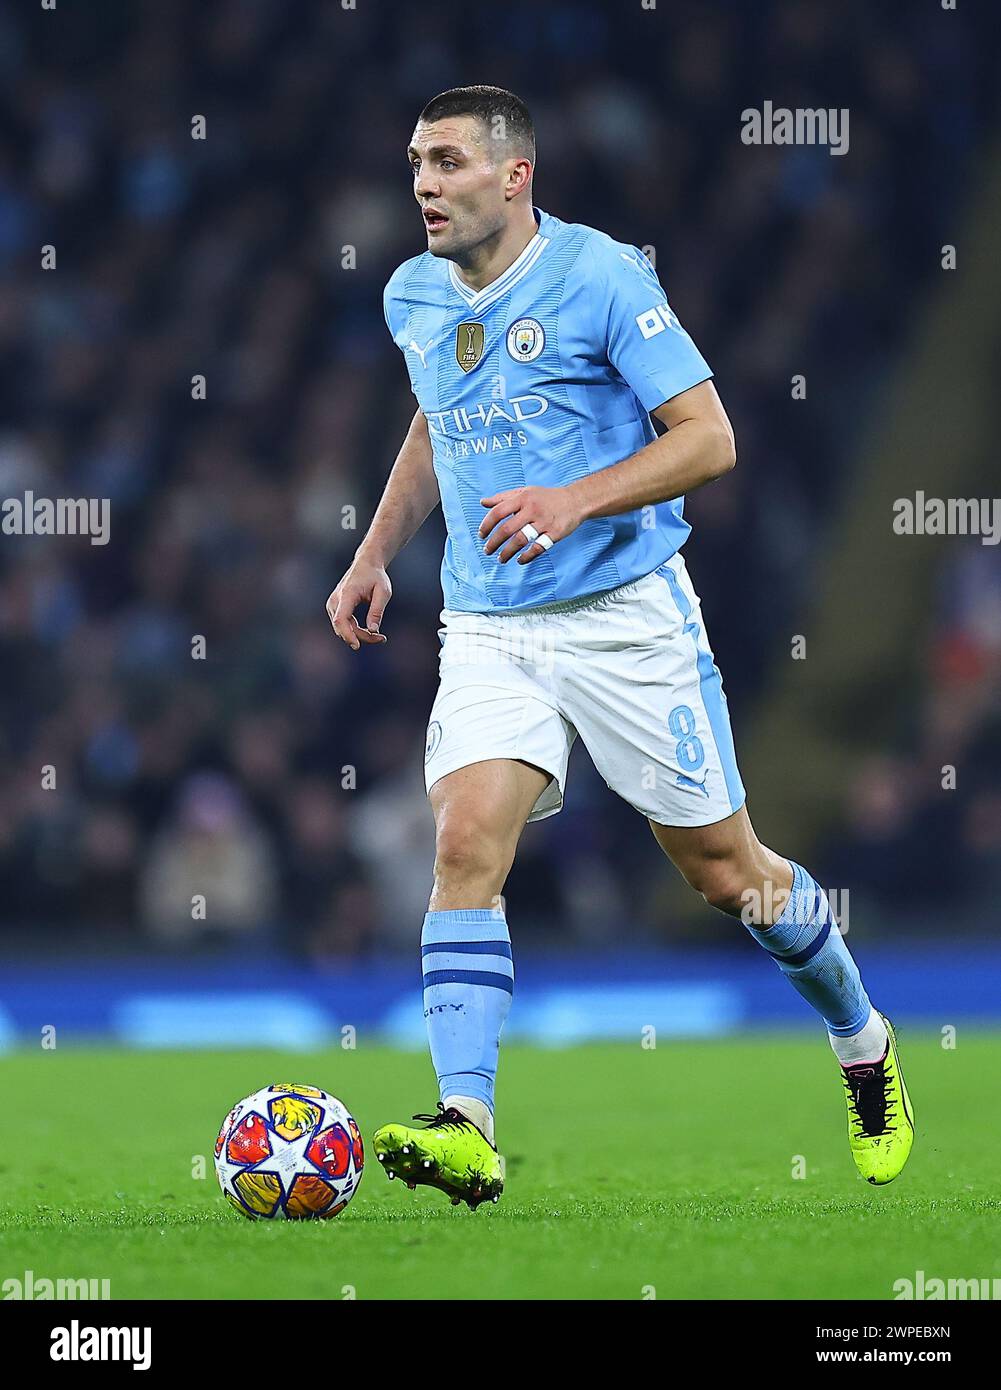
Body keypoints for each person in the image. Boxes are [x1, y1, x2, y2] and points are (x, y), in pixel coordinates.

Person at [326, 86, 913, 1208]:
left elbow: (708, 437)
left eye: (446, 161)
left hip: (625, 615)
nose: (423, 185)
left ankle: (859, 1034)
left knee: (727, 876)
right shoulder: (411, 292)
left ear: (513, 175)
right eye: (413, 162)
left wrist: (576, 498)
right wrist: (372, 552)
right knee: (462, 842)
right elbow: (434, 417)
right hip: (490, 623)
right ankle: (467, 1121)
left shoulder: (599, 276)